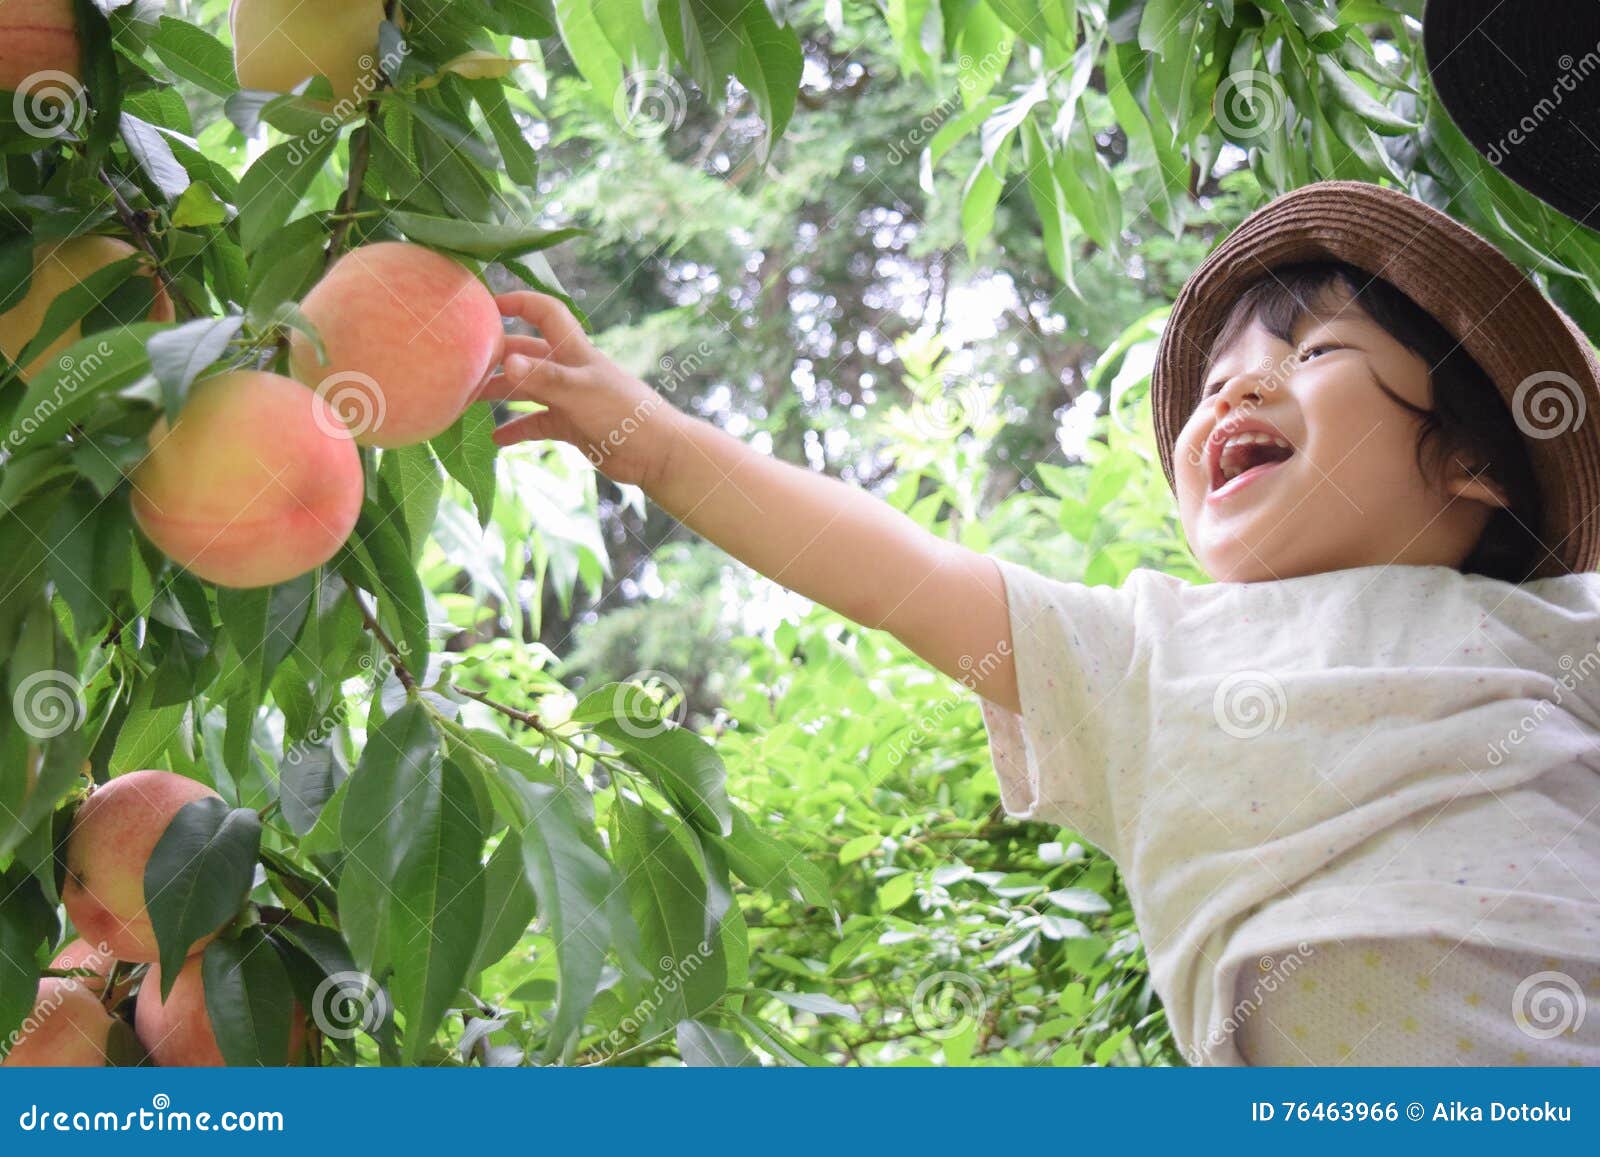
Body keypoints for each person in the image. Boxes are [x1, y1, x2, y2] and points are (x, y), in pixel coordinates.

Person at [478, 178, 1600, 1066]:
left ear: (1471, 459)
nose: (1236, 391)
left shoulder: (1549, 630)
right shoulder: (1143, 651)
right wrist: (653, 438)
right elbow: (894, 571)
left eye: (1312, 354)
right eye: (1217, 380)